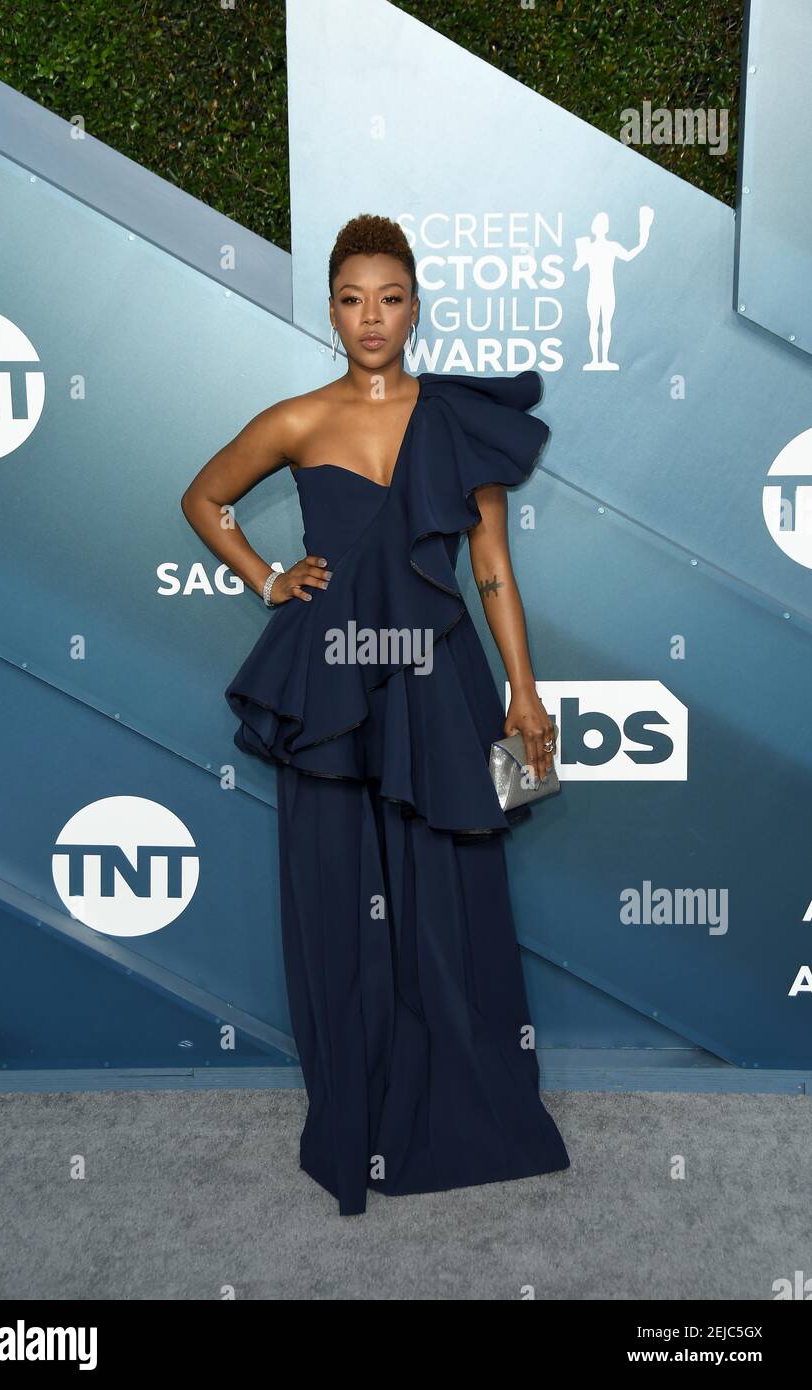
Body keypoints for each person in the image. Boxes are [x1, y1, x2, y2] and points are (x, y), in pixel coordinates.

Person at [181, 213, 570, 1215]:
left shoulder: (453, 419)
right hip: (330, 684)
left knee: (447, 893)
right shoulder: (297, 419)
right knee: (330, 896)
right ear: (329, 307)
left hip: (437, 682)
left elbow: (488, 568)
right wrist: (268, 580)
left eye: (388, 297)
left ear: (413, 307)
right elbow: (204, 497)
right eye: (352, 298)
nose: (370, 316)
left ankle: (455, 1102)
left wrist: (522, 686)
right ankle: (354, 1112)